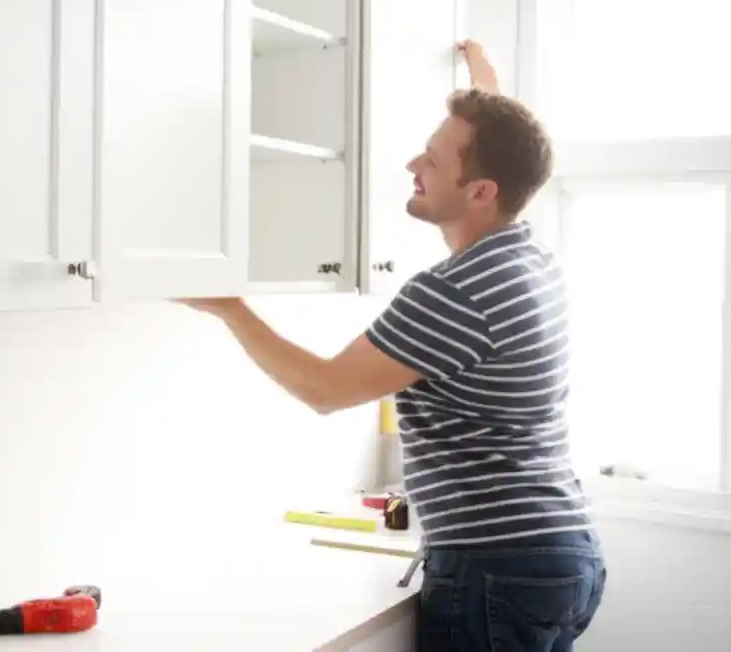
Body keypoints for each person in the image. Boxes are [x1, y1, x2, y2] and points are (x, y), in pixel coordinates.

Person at [181, 40, 606, 650]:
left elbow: (325, 390)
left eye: (432, 158)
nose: (413, 164)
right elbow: (520, 154)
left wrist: (229, 307)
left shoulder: (456, 292)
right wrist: (486, 91)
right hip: (560, 554)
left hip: (496, 562)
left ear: (483, 190)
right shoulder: (529, 257)